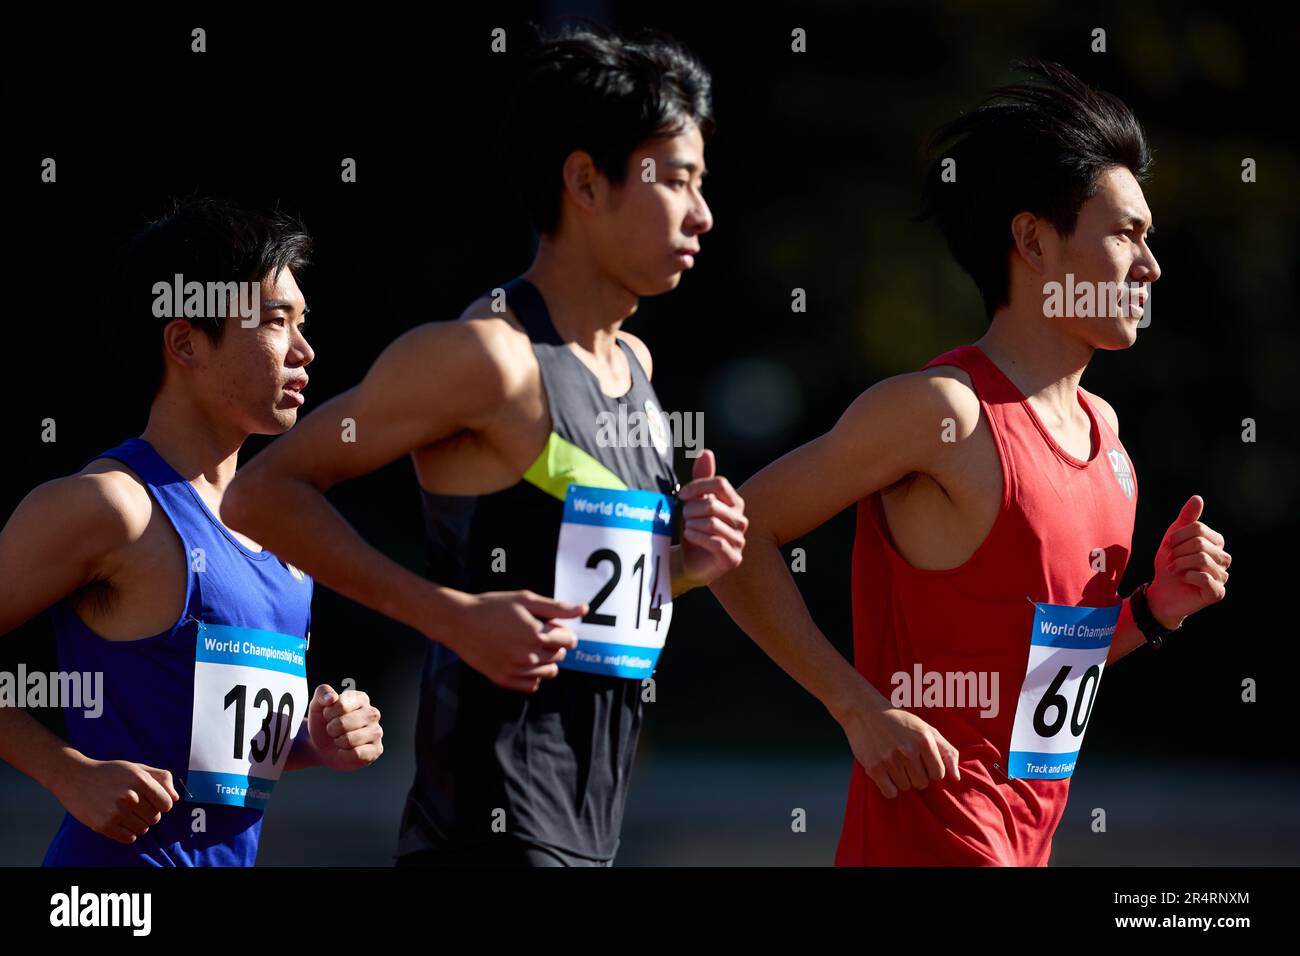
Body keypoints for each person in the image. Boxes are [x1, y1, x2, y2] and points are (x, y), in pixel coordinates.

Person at [222, 25, 747, 868]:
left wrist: (686, 563)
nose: (702, 213)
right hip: (485, 831)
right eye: (677, 181)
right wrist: (450, 616)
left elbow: (590, 604)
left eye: (702, 184)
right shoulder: (485, 358)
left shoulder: (636, 368)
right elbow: (264, 493)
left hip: (593, 829)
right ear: (584, 181)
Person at [708, 61, 1230, 866]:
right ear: (1032, 241)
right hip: (930, 841)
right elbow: (737, 536)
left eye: (1148, 237)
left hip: (1031, 845)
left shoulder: (1109, 437)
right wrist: (856, 708)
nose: (1150, 266)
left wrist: (1154, 611)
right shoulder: (942, 412)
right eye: (1126, 233)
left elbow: (1043, 669)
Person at [0, 198, 384, 866]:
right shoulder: (111, 507)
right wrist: (67, 773)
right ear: (184, 343)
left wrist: (312, 745)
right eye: (274, 322)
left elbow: (212, 754)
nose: (305, 349)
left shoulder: (282, 532)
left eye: (303, 322)